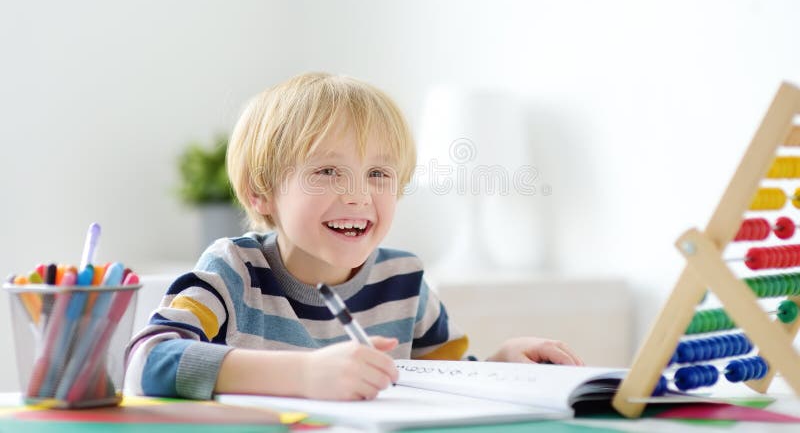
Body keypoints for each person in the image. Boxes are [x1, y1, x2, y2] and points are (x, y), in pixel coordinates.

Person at [124, 72, 583, 401]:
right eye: (327, 171)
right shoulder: (231, 272)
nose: (359, 195)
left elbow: (443, 383)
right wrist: (306, 376)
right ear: (260, 193)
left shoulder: (403, 280)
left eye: (378, 173)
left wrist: (499, 365)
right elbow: (149, 363)